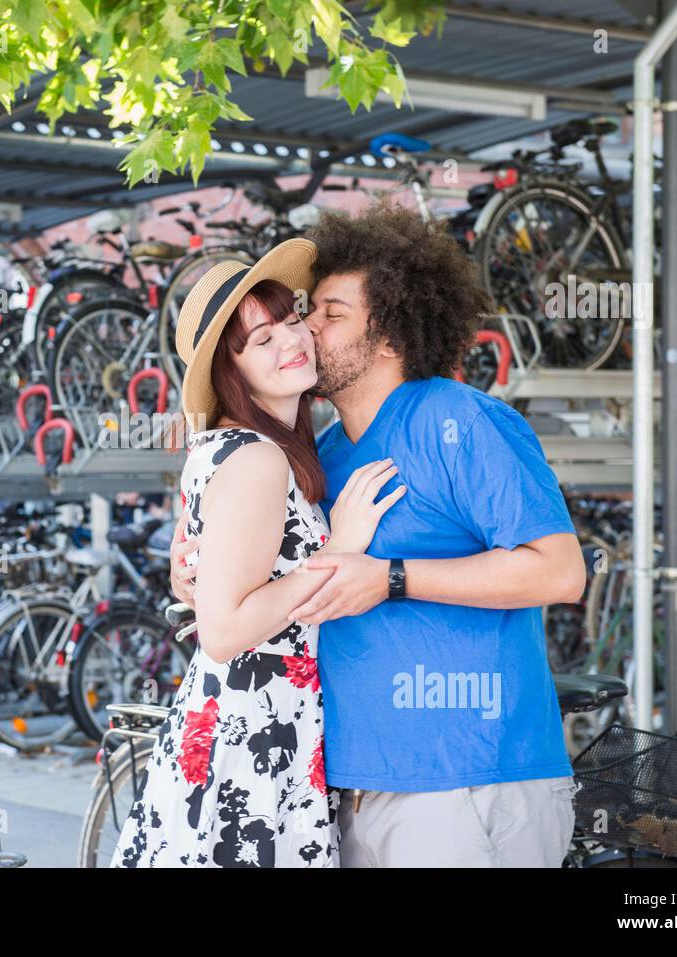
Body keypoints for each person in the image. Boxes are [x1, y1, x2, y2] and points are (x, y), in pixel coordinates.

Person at [171, 205, 588, 867]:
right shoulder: (317, 457)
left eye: (330, 314)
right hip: (345, 791)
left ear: (389, 333)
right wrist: (194, 577)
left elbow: (559, 571)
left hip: (467, 782)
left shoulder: (466, 420)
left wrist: (393, 575)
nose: (307, 328)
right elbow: (267, 590)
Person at [109, 238, 404, 867]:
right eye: (261, 342)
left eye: (290, 321)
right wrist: (340, 550)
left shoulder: (255, 450)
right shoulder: (255, 457)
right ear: (230, 370)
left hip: (252, 727)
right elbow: (223, 630)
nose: (292, 342)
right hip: (249, 739)